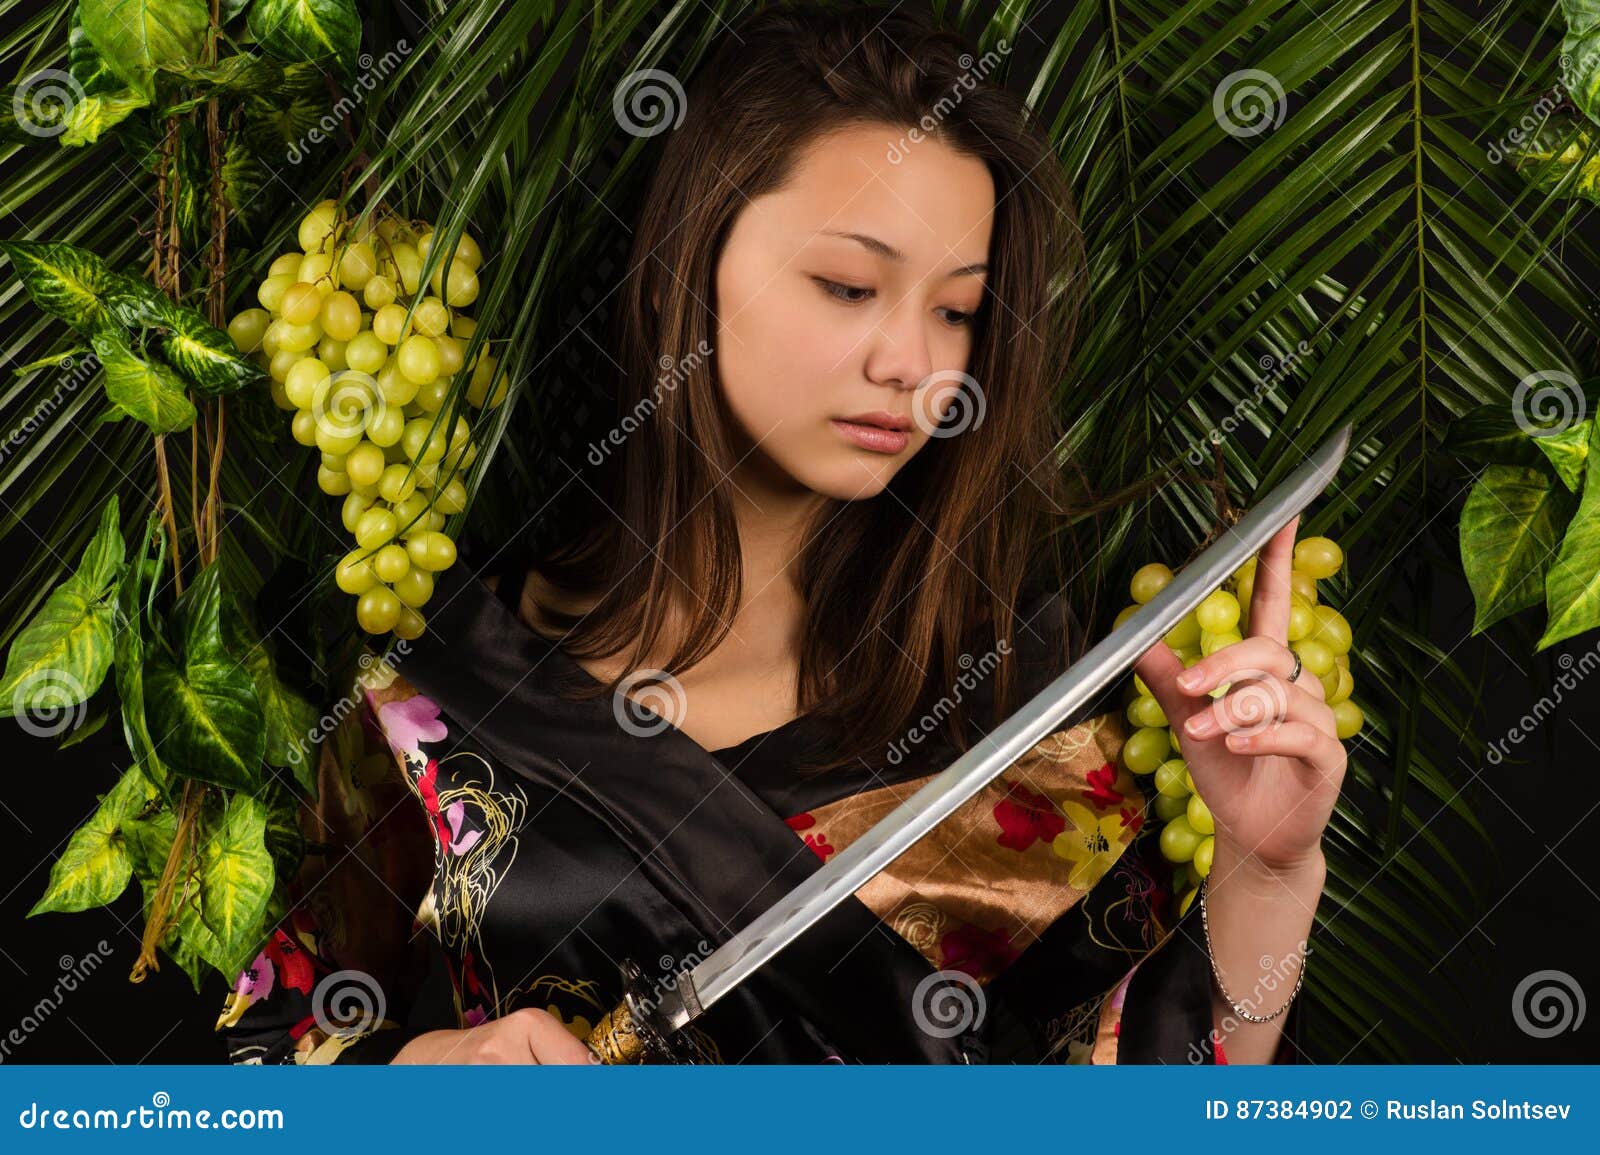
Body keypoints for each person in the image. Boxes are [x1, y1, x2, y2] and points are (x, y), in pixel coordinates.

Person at [216, 2, 1339, 1065]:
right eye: (849, 285)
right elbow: (260, 1072)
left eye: (955, 309)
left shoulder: (1025, 702)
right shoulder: (431, 695)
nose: (915, 364)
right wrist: (426, 1076)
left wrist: (1268, 878)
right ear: (687, 271)